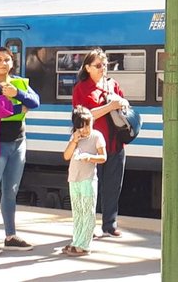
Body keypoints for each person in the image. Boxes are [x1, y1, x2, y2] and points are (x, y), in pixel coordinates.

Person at [0, 48, 39, 255]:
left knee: (11, 191)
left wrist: (17, 93)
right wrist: (21, 108)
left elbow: (35, 101)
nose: (3, 63)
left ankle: (10, 236)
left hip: (18, 142)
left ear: (12, 63)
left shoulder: (18, 82)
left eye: (7, 60)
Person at [70, 48, 129, 238]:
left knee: (113, 185)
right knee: (90, 185)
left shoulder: (113, 84)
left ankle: (110, 224)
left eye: (104, 64)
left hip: (115, 143)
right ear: (87, 67)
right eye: (98, 65)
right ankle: (89, 225)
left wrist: (123, 103)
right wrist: (109, 106)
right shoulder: (81, 88)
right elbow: (85, 116)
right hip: (91, 144)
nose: (102, 68)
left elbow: (123, 103)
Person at [60, 105, 105, 256]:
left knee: (88, 212)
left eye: (88, 125)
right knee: (78, 212)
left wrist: (90, 157)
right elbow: (66, 156)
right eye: (82, 127)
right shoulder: (75, 137)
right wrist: (74, 141)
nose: (86, 129)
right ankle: (76, 241)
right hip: (74, 179)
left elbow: (103, 157)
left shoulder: (97, 136)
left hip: (88, 179)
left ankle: (85, 245)